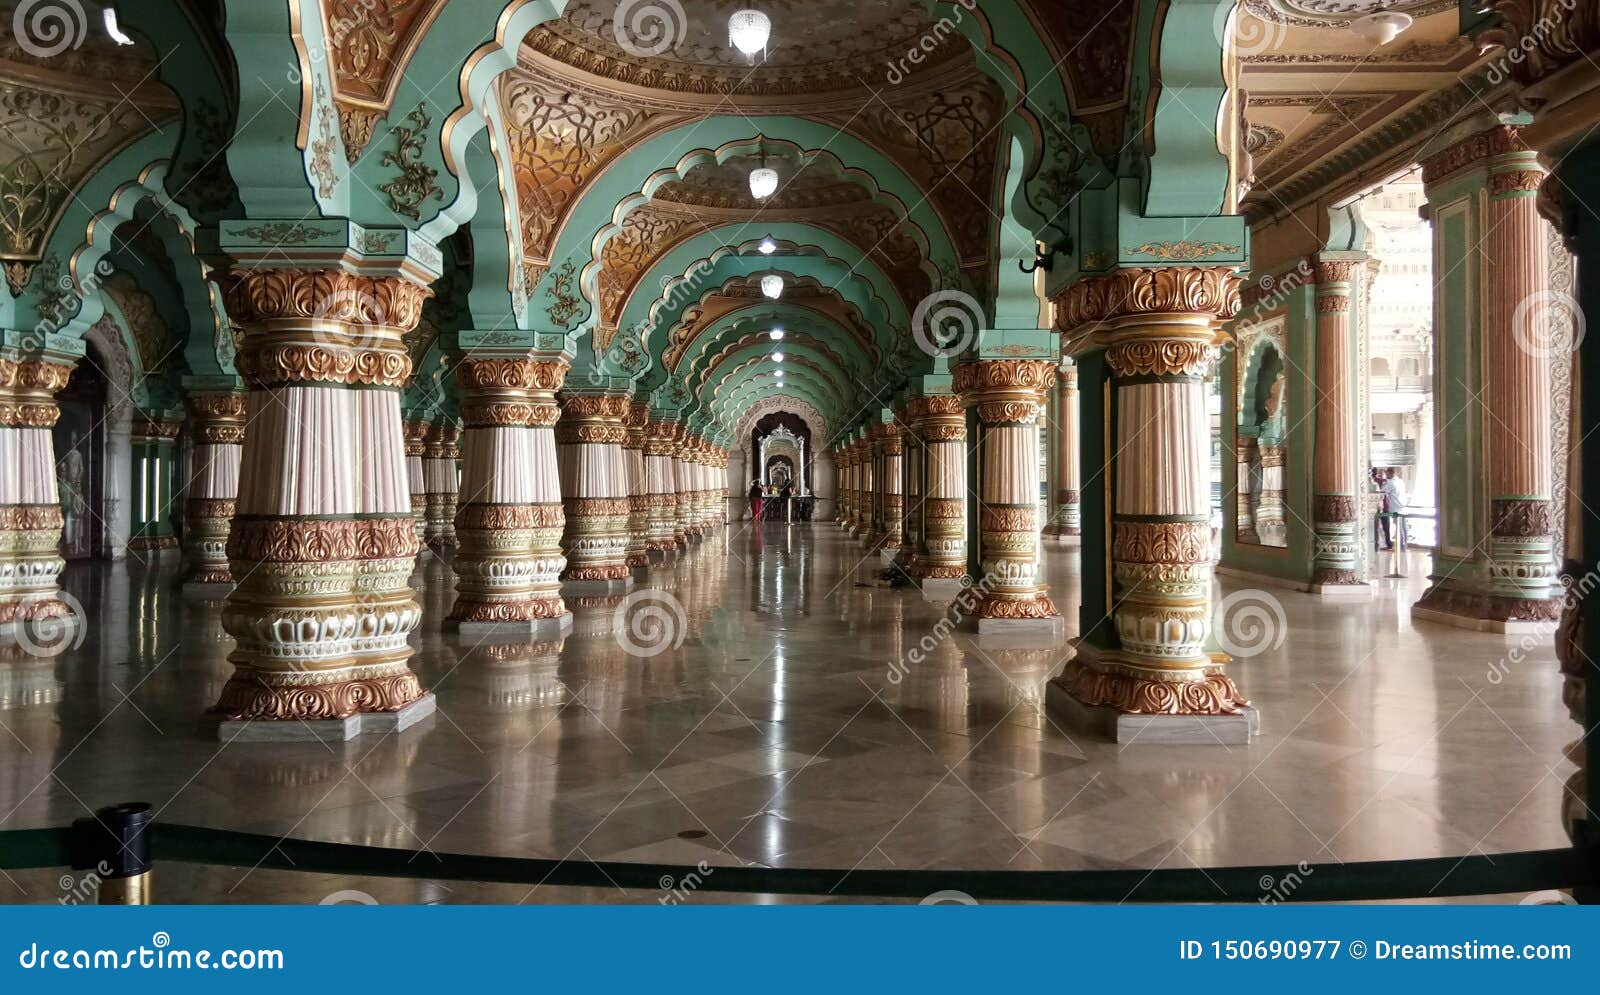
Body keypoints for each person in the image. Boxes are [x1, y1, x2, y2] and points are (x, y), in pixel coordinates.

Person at [1380, 468, 1408, 550]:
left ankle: (1402, 547)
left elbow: (1382, 490)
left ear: (1389, 473)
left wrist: (1384, 482)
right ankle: (1404, 545)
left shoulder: (1392, 483)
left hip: (1396, 508)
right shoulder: (1400, 481)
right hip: (1402, 506)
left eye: (1386, 473)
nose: (1386, 475)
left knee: (1399, 526)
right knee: (1403, 526)